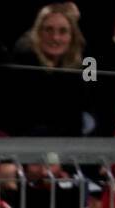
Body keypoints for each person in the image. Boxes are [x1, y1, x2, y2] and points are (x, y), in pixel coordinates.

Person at [7, 3, 87, 138]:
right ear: (38, 33)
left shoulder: (86, 61)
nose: (55, 38)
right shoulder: (23, 58)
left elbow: (88, 100)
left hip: (70, 142)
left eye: (63, 31)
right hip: (28, 140)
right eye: (48, 30)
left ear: (72, 36)